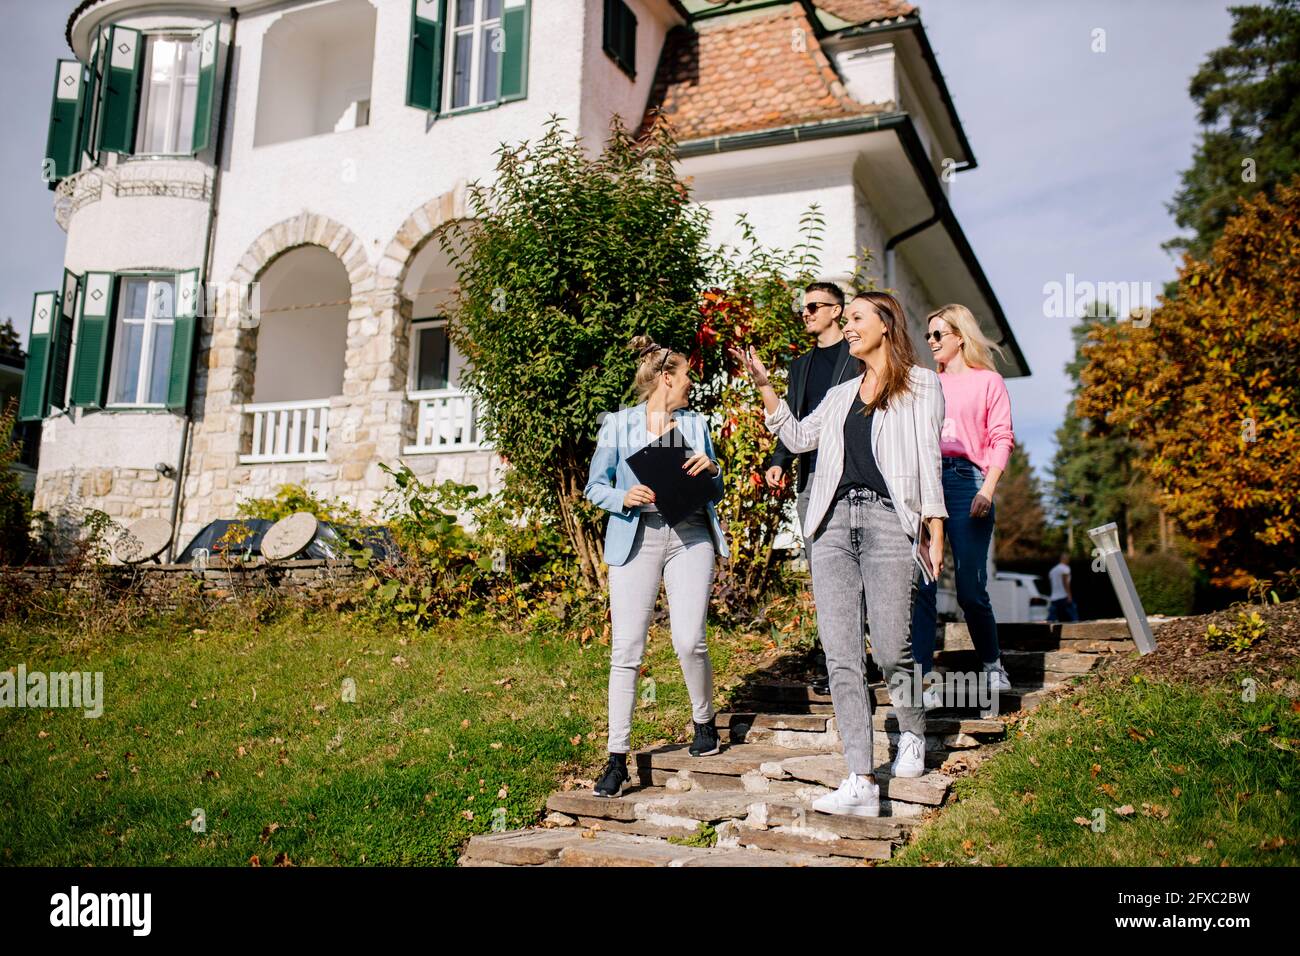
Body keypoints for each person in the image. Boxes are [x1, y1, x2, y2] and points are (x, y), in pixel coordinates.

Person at [732, 291, 946, 817]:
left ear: (886, 324)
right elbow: (799, 436)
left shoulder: (920, 384)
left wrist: (934, 524)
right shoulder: (841, 392)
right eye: (845, 319)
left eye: (855, 319)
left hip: (886, 522)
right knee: (841, 653)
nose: (847, 328)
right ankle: (860, 777)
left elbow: (928, 455)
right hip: (829, 525)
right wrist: (764, 385)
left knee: (893, 648)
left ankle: (912, 730)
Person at [584, 336, 731, 798]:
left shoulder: (696, 422)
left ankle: (703, 721)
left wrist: (713, 470)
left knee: (690, 639)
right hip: (638, 536)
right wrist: (622, 496)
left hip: (690, 536)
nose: (691, 382)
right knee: (626, 650)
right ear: (667, 377)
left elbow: (715, 488)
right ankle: (616, 758)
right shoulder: (619, 425)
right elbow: (594, 487)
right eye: (686, 374)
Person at [908, 304, 1016, 705]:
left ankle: (992, 665)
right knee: (923, 582)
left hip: (969, 482)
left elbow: (1001, 437)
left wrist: (987, 489)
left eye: (938, 334)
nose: (932, 342)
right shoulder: (922, 385)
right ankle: (923, 682)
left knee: (971, 589)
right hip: (927, 483)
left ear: (960, 336)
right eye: (929, 336)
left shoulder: (988, 382)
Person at [762, 282, 863, 694]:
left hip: (852, 475)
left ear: (837, 310)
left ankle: (859, 658)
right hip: (812, 480)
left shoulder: (856, 356)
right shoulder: (800, 366)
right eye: (802, 308)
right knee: (824, 576)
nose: (805, 313)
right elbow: (794, 419)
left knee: (856, 574)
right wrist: (778, 461)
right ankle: (831, 664)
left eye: (814, 306)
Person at [1047, 554, 1078, 622]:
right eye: (1068, 559)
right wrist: (1069, 595)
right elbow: (1065, 582)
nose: (1068, 561)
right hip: (1063, 595)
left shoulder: (1053, 570)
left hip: (1054, 597)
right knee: (1073, 613)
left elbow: (1051, 583)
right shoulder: (1065, 568)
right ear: (1064, 559)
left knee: (1052, 616)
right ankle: (1076, 625)